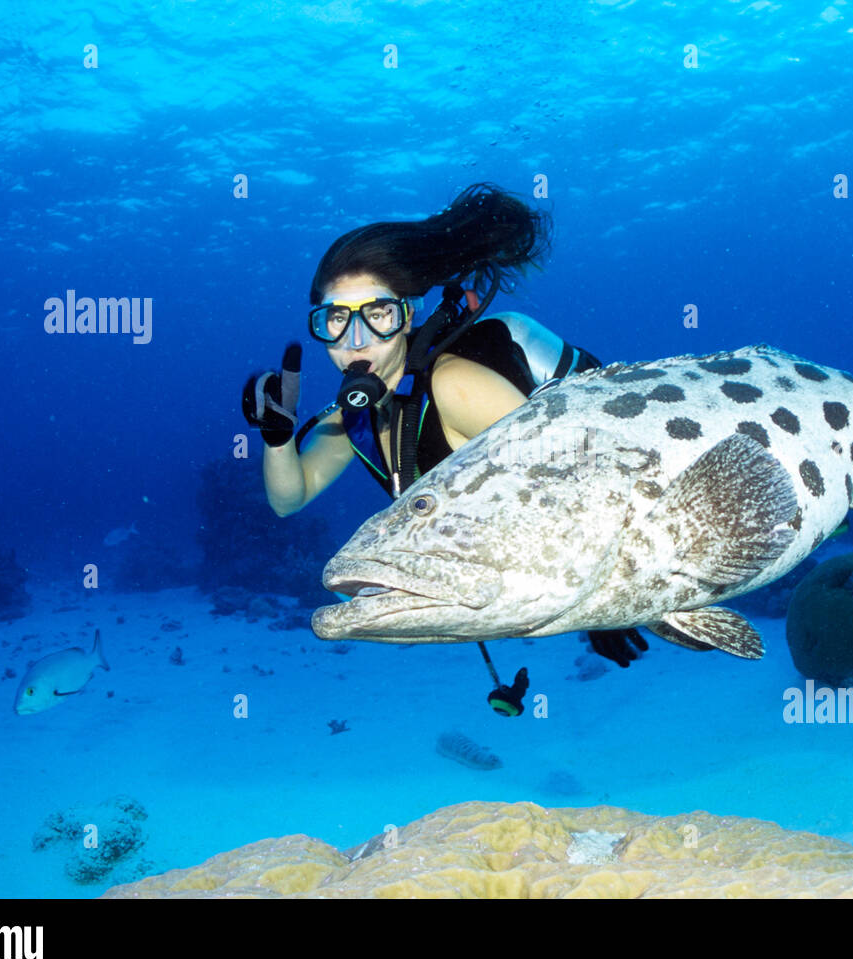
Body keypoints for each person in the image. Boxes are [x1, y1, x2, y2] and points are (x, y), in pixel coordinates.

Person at [242, 184, 648, 666]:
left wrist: (608, 603)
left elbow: (588, 476)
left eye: (378, 315)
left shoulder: (454, 387)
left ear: (407, 317)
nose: (356, 340)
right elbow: (290, 499)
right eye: (334, 320)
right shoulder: (354, 419)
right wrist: (277, 438)